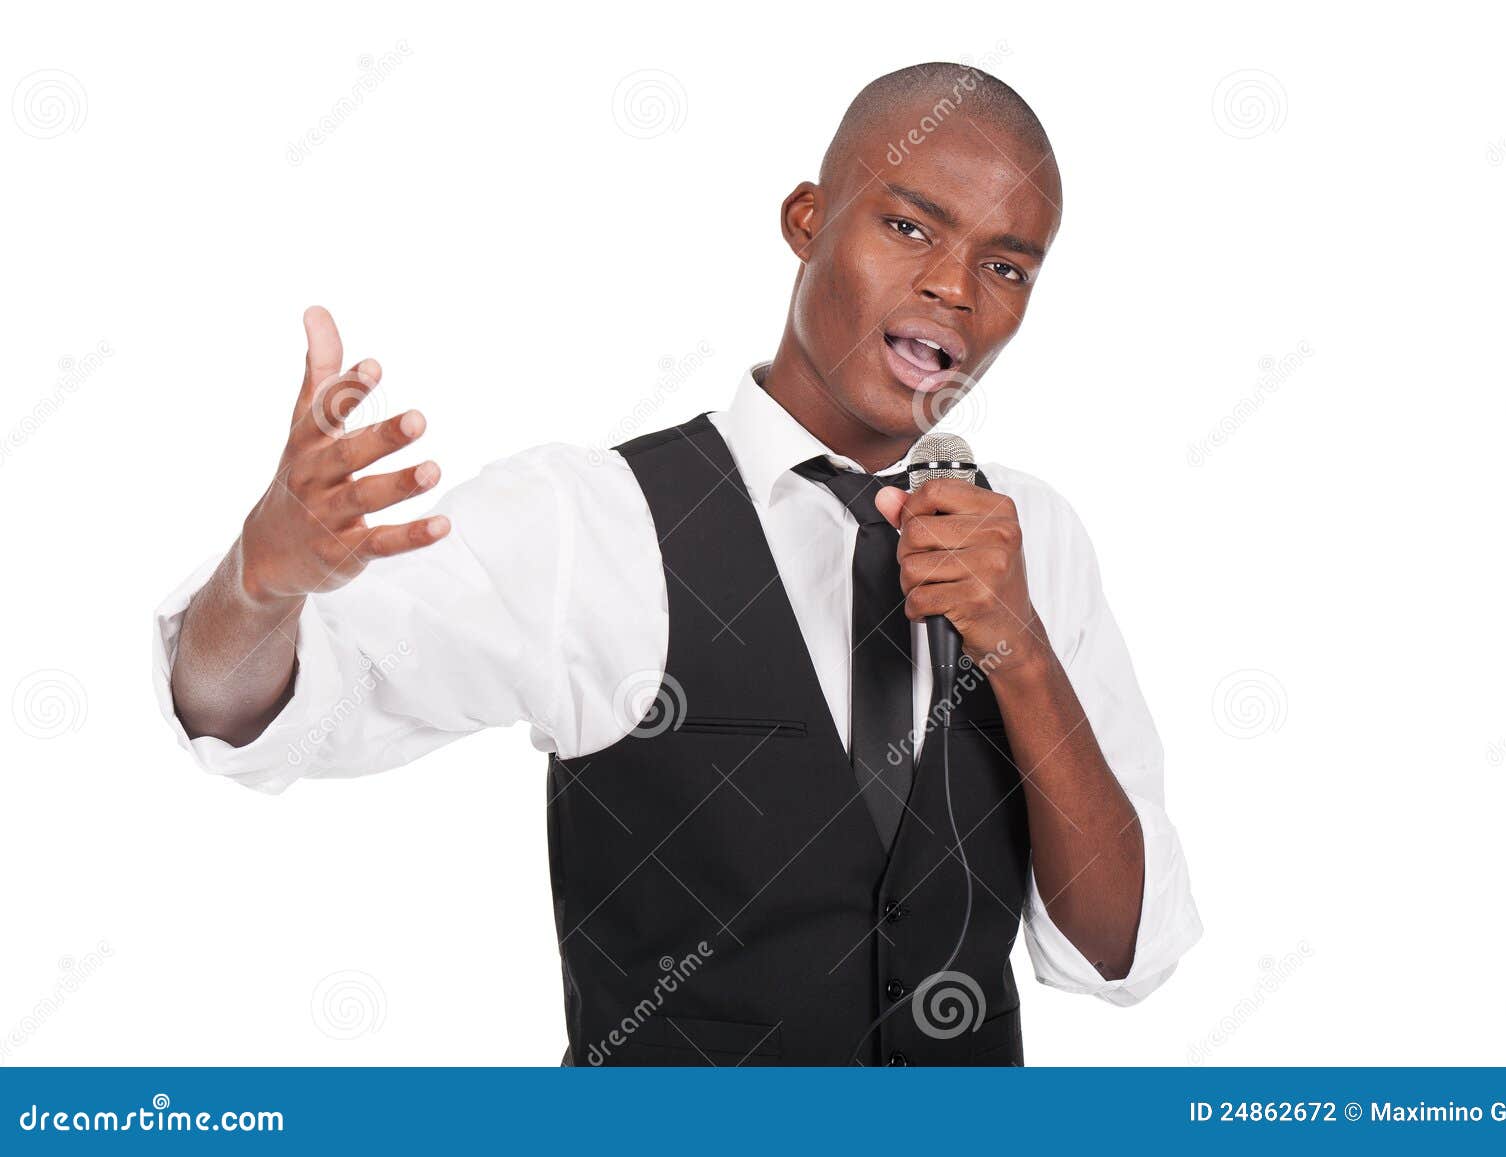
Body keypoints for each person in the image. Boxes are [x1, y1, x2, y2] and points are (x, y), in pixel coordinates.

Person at [154, 63, 1202, 1065]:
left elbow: (1122, 946)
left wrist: (1021, 649)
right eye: (909, 225)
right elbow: (248, 717)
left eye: (1006, 266)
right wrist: (258, 582)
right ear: (807, 221)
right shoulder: (587, 520)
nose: (953, 287)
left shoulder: (1033, 537)